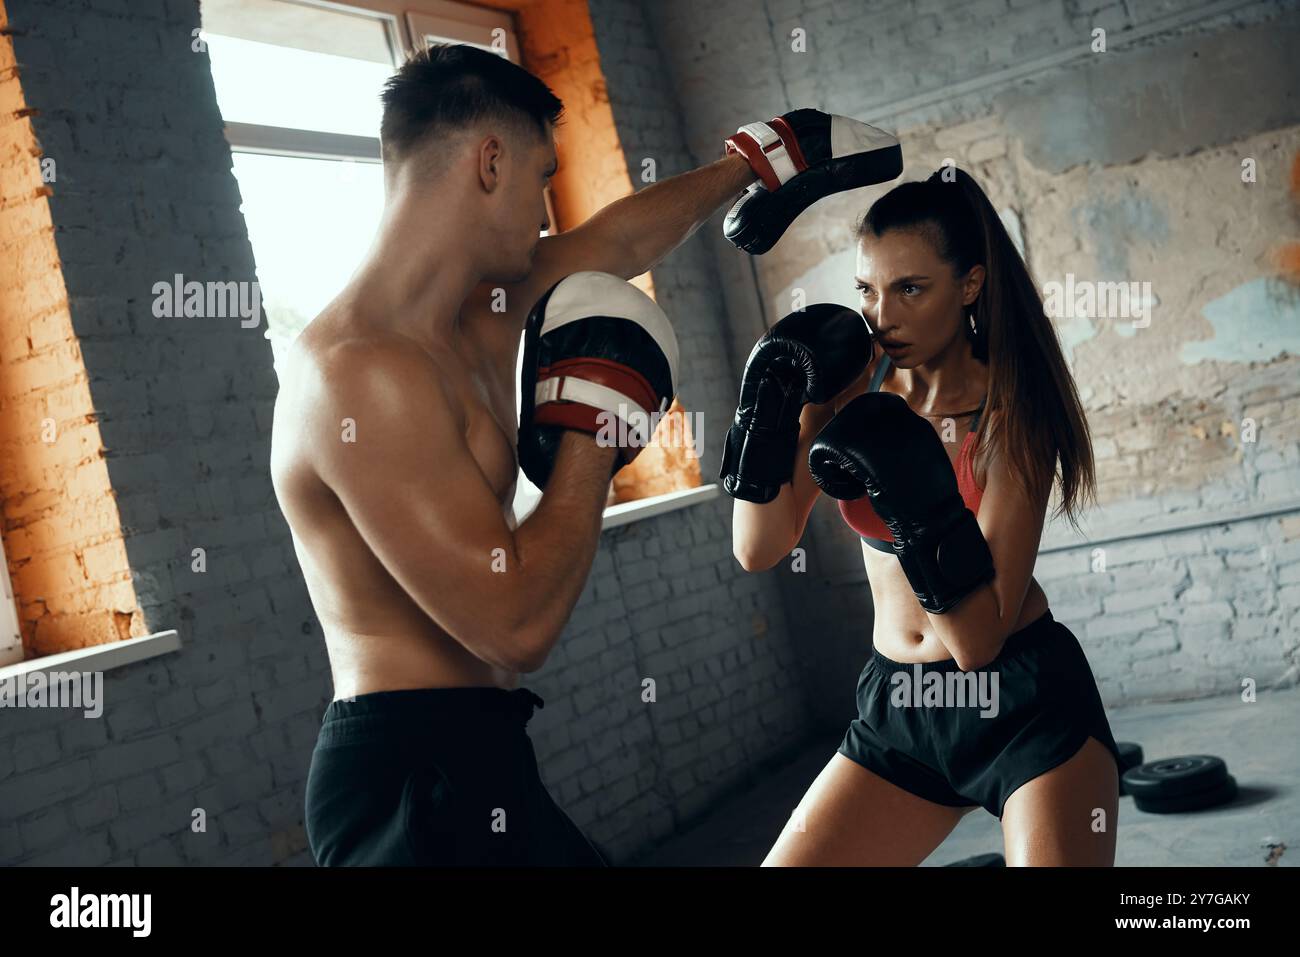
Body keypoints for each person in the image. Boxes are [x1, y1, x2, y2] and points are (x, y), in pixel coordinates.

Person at [270, 42, 897, 866]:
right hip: (409, 786)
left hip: (480, 750)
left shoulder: (477, 315)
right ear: (489, 161)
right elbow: (514, 623)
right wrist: (594, 440)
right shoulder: (360, 373)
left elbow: (615, 241)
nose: (543, 211)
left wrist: (754, 162)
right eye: (541, 177)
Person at [723, 167, 1124, 866]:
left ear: (969, 285)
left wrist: (910, 490)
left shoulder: (1012, 415)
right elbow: (759, 546)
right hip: (899, 705)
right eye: (867, 291)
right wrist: (767, 412)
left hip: (1022, 702)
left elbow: (977, 642)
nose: (884, 316)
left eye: (911, 288)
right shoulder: (851, 386)